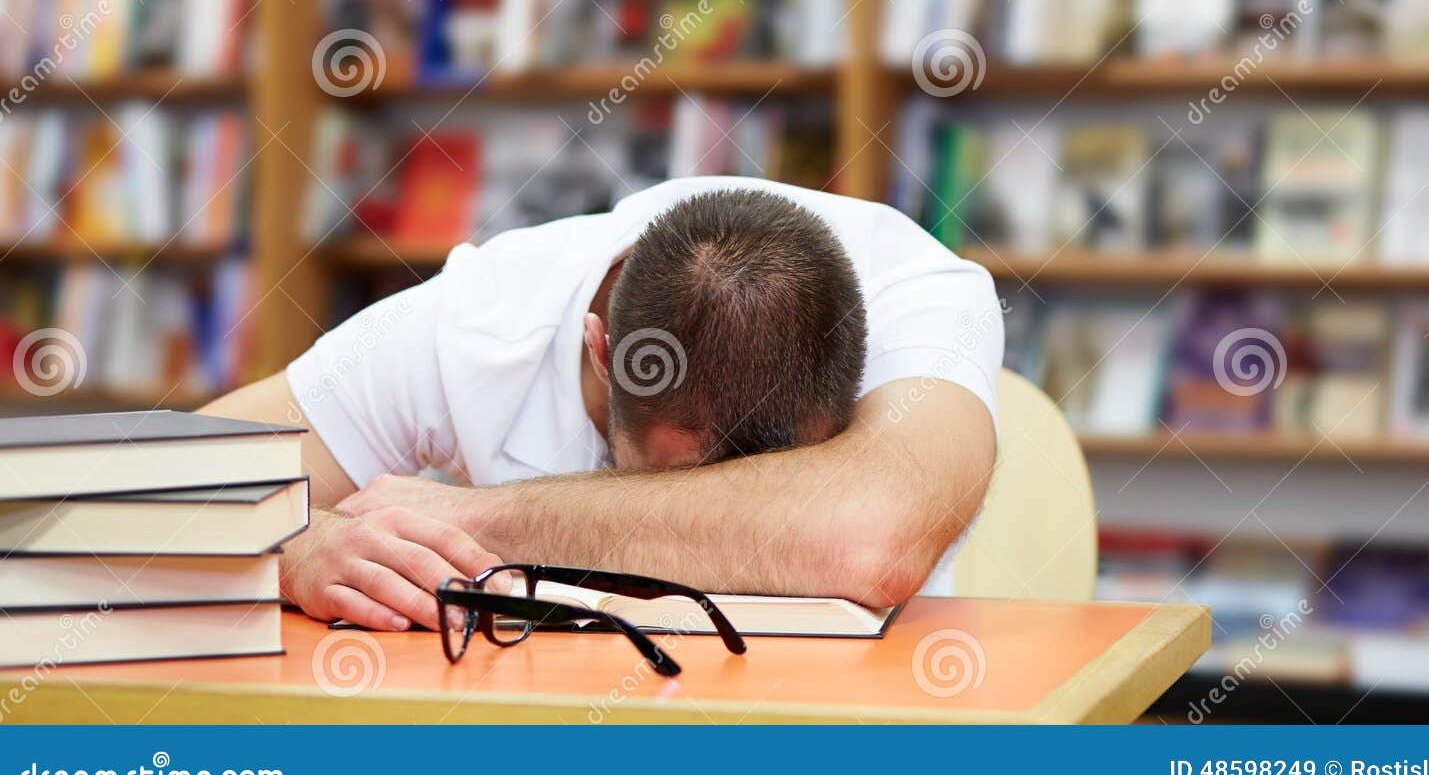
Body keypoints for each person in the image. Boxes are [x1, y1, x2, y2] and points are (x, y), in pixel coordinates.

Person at [202, 177, 1003, 632]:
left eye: (778, 473)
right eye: (679, 475)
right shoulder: (481, 320)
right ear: (600, 355)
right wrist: (295, 546)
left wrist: (481, 522)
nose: (719, 504)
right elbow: (155, 484)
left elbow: (870, 542)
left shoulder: (923, 302)